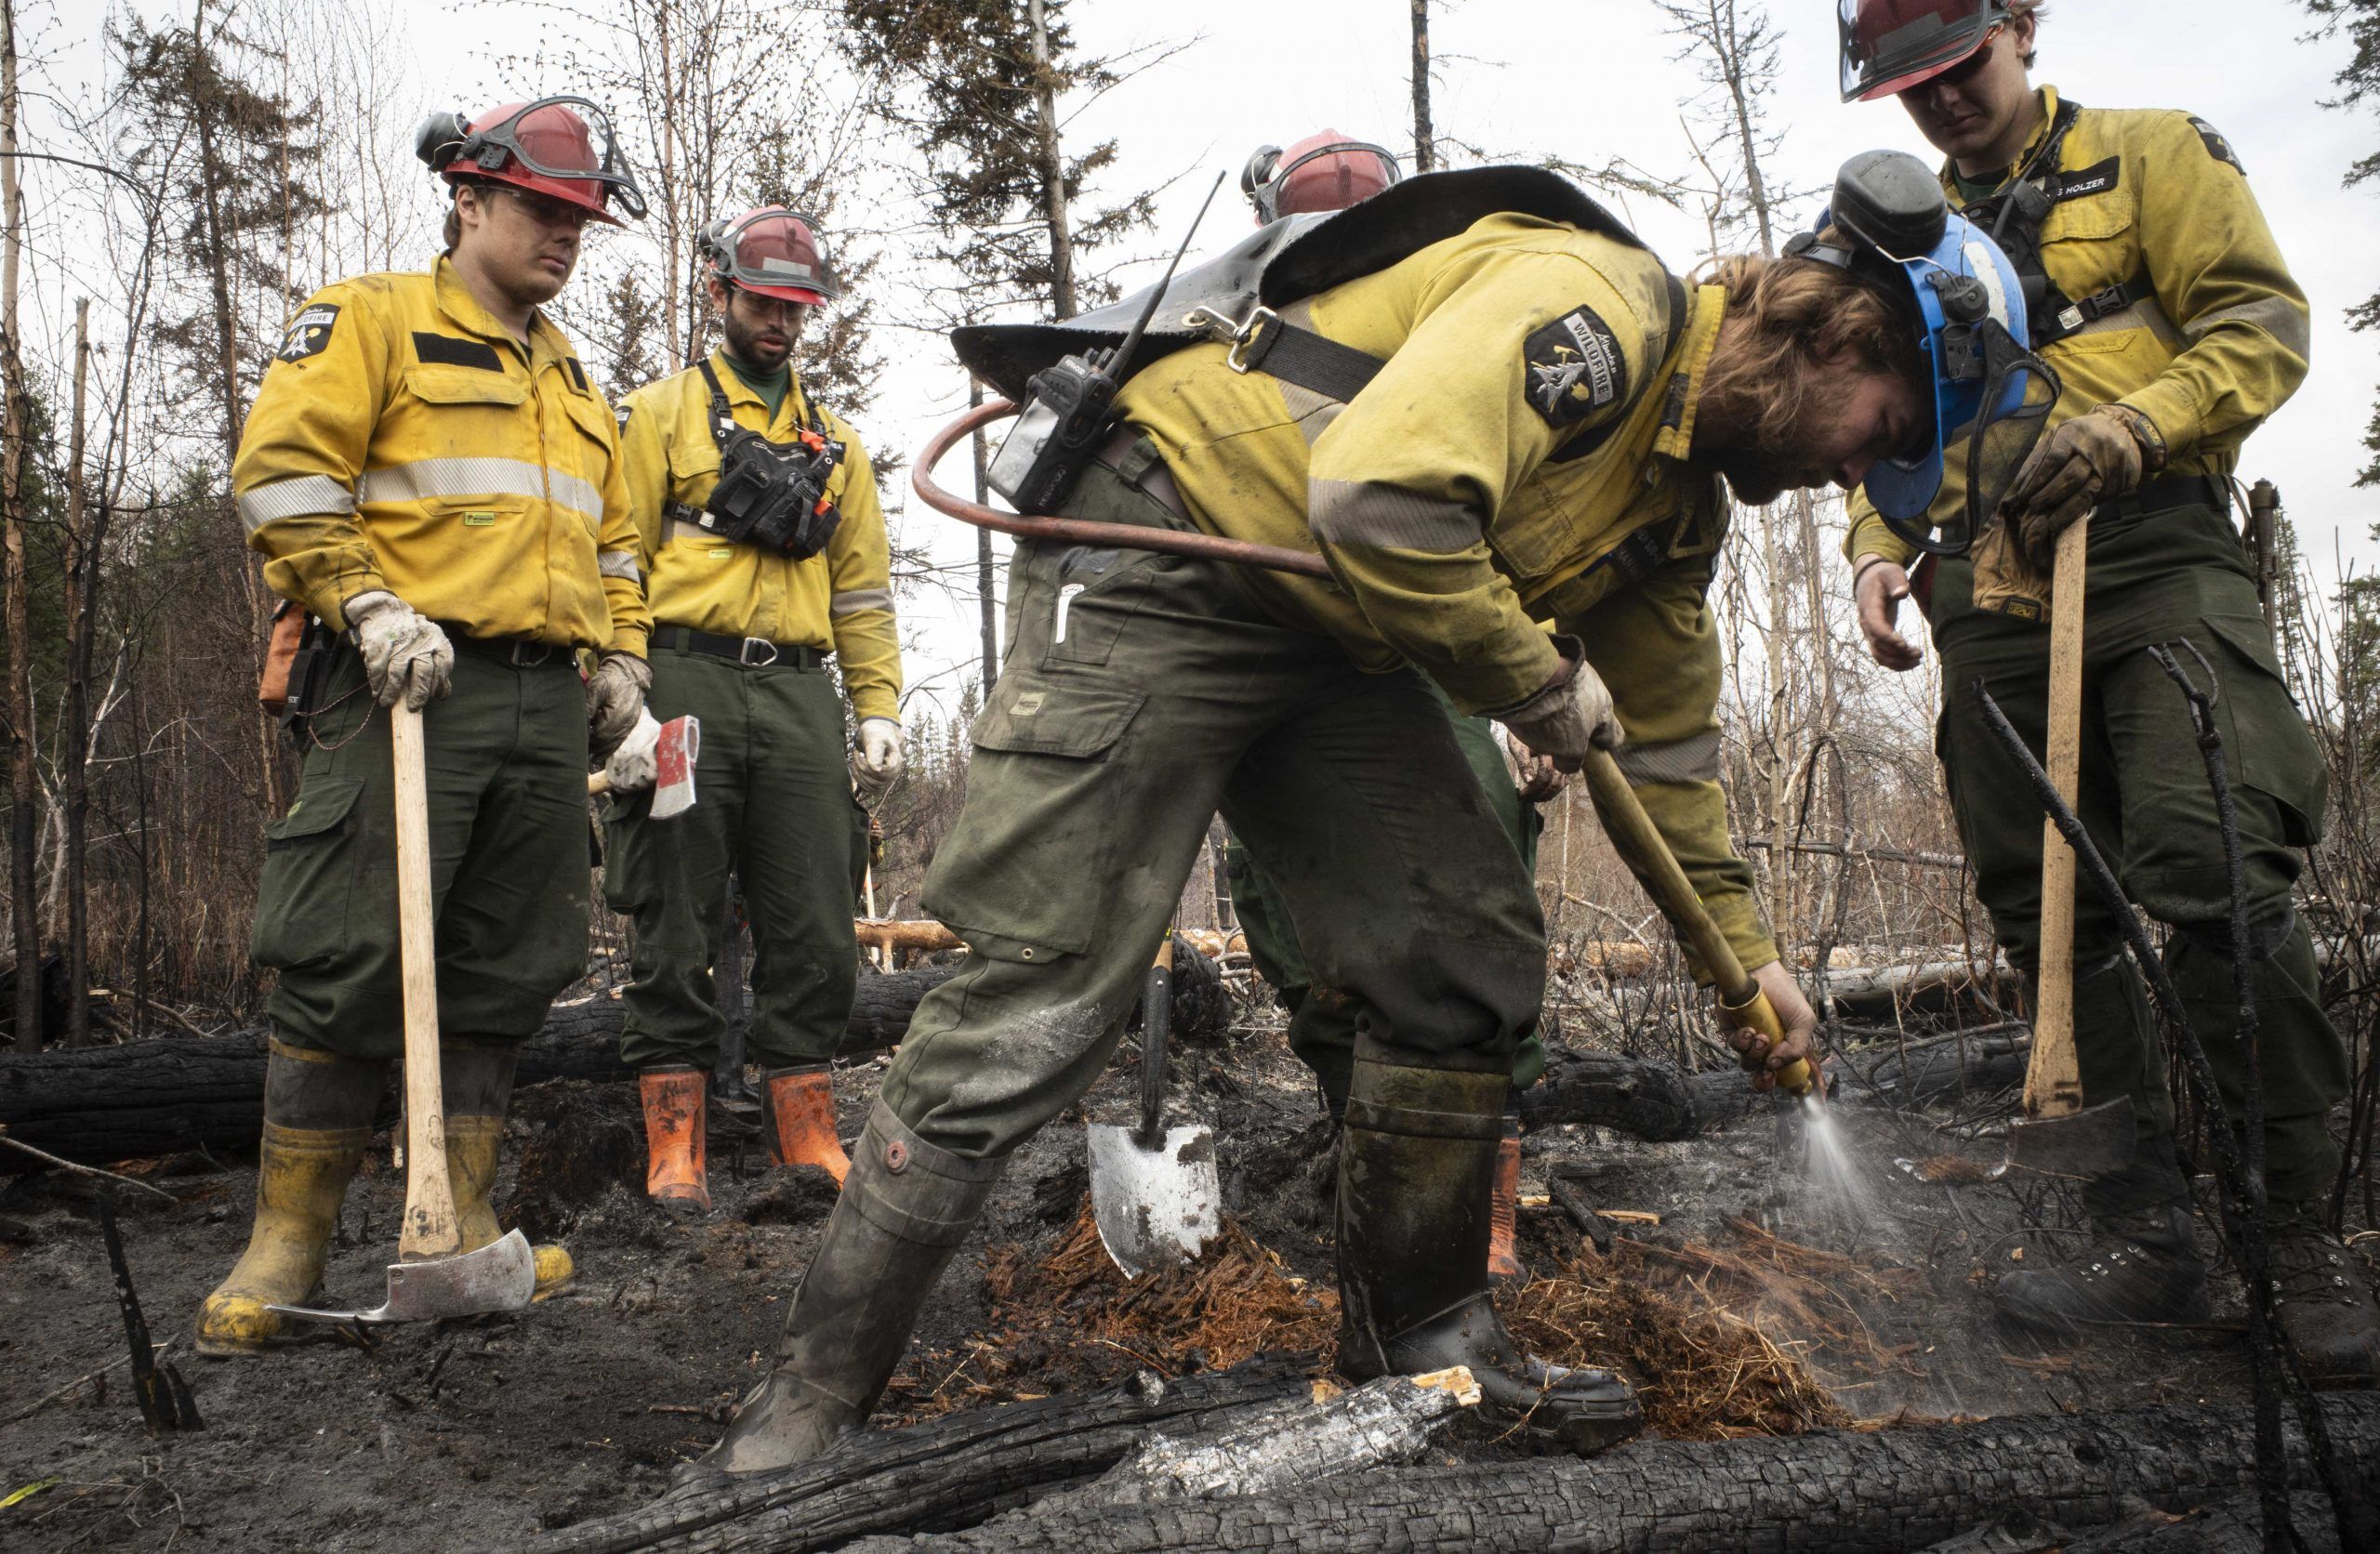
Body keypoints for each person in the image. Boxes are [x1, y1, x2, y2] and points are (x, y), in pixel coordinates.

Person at [680, 147, 2044, 1478]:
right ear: (1830, 337)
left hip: (1338, 630)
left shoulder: (1677, 512)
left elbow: (1672, 758)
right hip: (1169, 545)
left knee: (1459, 954)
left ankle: (1424, 1340)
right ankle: (808, 1397)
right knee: (1045, 983)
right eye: (1883, 430)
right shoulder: (1599, 311)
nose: (1855, 475)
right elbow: (1379, 495)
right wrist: (1535, 677)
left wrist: (1742, 962)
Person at [1838, 0, 2377, 1379]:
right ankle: (2149, 1238)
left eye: (1964, 63)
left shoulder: (2155, 153)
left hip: (2156, 554)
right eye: (1916, 84)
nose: (1947, 98)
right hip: (1992, 589)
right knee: (2043, 909)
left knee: (2217, 868)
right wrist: (1875, 553)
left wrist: (2139, 424)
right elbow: (1879, 424)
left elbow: (2261, 327)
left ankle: (2299, 1239)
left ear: (2020, 28)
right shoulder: (1902, 235)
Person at [199, 97, 654, 1355]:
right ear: (468, 199)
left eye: (581, 219)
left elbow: (614, 540)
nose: (565, 236)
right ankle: (286, 1241)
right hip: (406, 687)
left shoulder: (572, 374)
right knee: (349, 951)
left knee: (505, 966)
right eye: (541, 211)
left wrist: (621, 659)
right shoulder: (372, 320)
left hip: (541, 701)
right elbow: (281, 470)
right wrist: (366, 598)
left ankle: (457, 1223)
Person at [1227, 128, 1558, 1280]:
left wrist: (1543, 682)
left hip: (1434, 649)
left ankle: (1486, 1197)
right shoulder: (1235, 336)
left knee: (1476, 914)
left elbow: (1524, 507)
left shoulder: (1451, 324)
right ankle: (1372, 1160)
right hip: (1289, 655)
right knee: (1301, 918)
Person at [606, 207, 904, 1212]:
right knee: (674, 908)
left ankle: (807, 1132)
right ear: (721, 292)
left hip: (797, 692)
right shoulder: (658, 416)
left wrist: (876, 705)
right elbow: (615, 560)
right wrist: (622, 699)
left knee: (815, 915)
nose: (779, 322)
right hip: (683, 681)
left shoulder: (839, 449)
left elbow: (863, 591)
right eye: (763, 301)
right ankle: (676, 1144)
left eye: (795, 308)